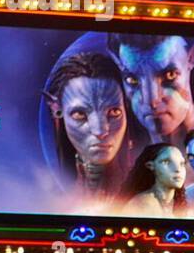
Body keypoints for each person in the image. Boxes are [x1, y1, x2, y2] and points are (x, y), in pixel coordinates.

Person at [107, 34, 194, 158]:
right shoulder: (122, 159)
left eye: (169, 75)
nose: (151, 100)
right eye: (133, 80)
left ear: (191, 57)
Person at [43, 52, 134, 200]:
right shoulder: (44, 193)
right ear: (57, 110)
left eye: (114, 112)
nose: (100, 131)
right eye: (80, 115)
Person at [121, 143, 188, 218]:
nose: (178, 169)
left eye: (182, 163)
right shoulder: (143, 204)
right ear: (150, 166)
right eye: (166, 162)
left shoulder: (178, 203)